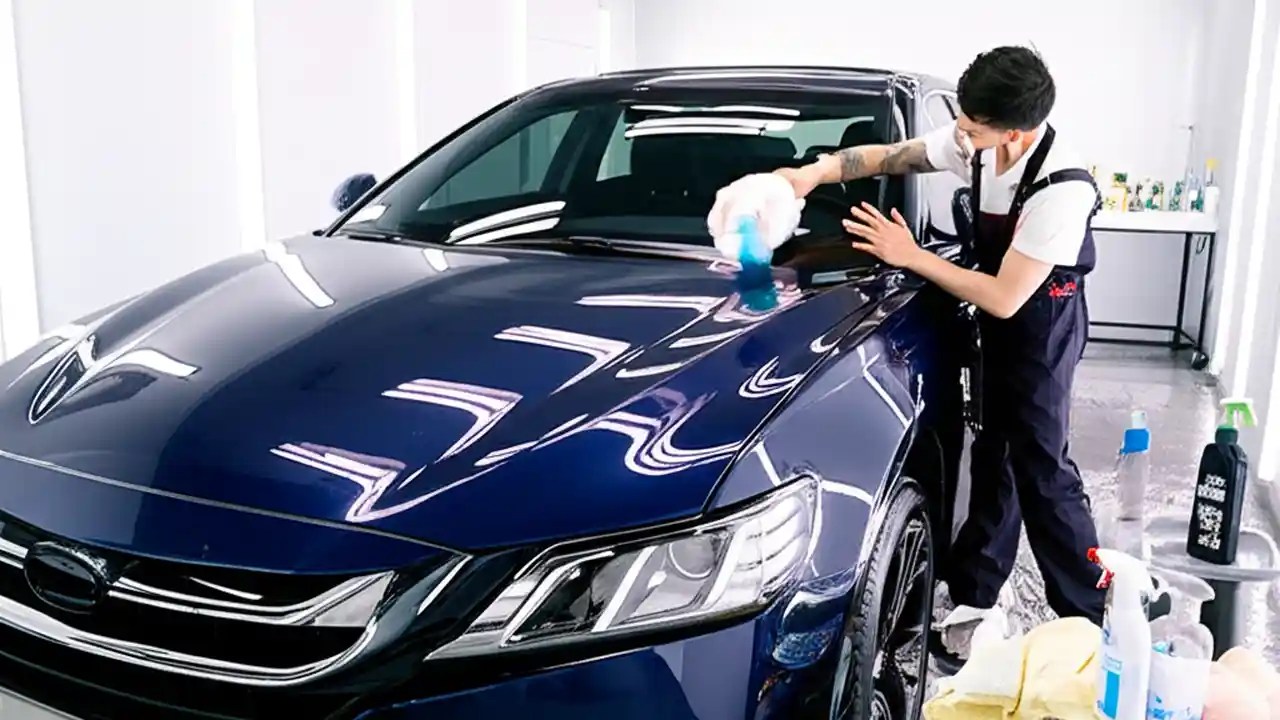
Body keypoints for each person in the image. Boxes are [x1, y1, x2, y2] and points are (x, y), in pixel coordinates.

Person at [719, 46, 1106, 655]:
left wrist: (911, 256)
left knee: (1041, 467)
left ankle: (1089, 613)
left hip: (1041, 321)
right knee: (995, 452)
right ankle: (976, 587)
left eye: (972, 130)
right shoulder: (979, 139)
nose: (960, 136)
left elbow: (1006, 296)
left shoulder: (1061, 189)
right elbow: (890, 155)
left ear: (1014, 132)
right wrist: (813, 174)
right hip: (998, 311)